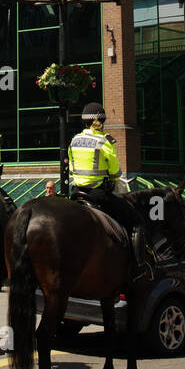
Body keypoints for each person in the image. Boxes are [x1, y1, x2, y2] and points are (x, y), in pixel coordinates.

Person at [68, 102, 148, 280]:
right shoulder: (104, 141)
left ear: (84, 121)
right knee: (137, 222)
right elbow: (115, 172)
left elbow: (72, 169)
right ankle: (138, 268)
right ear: (102, 121)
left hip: (76, 193)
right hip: (98, 195)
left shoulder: (74, 140)